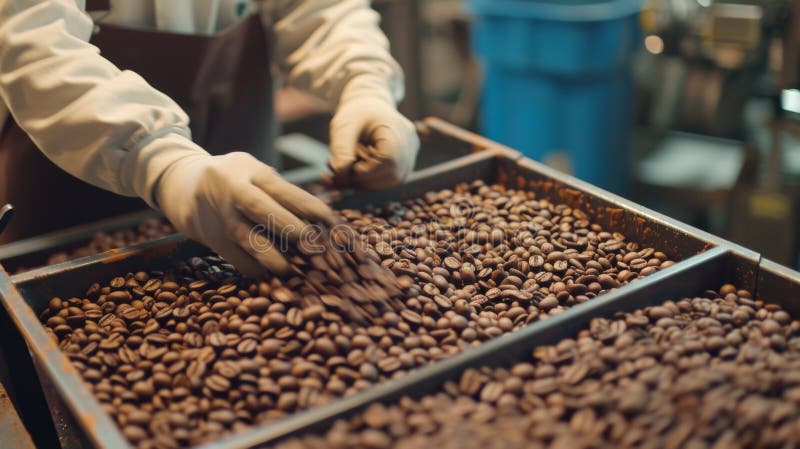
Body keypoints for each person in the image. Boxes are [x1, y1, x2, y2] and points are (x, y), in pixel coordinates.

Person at [0, 0, 420, 277]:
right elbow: (33, 42)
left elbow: (315, 8)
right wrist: (160, 160)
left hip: (251, 204)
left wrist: (364, 82)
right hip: (68, 213)